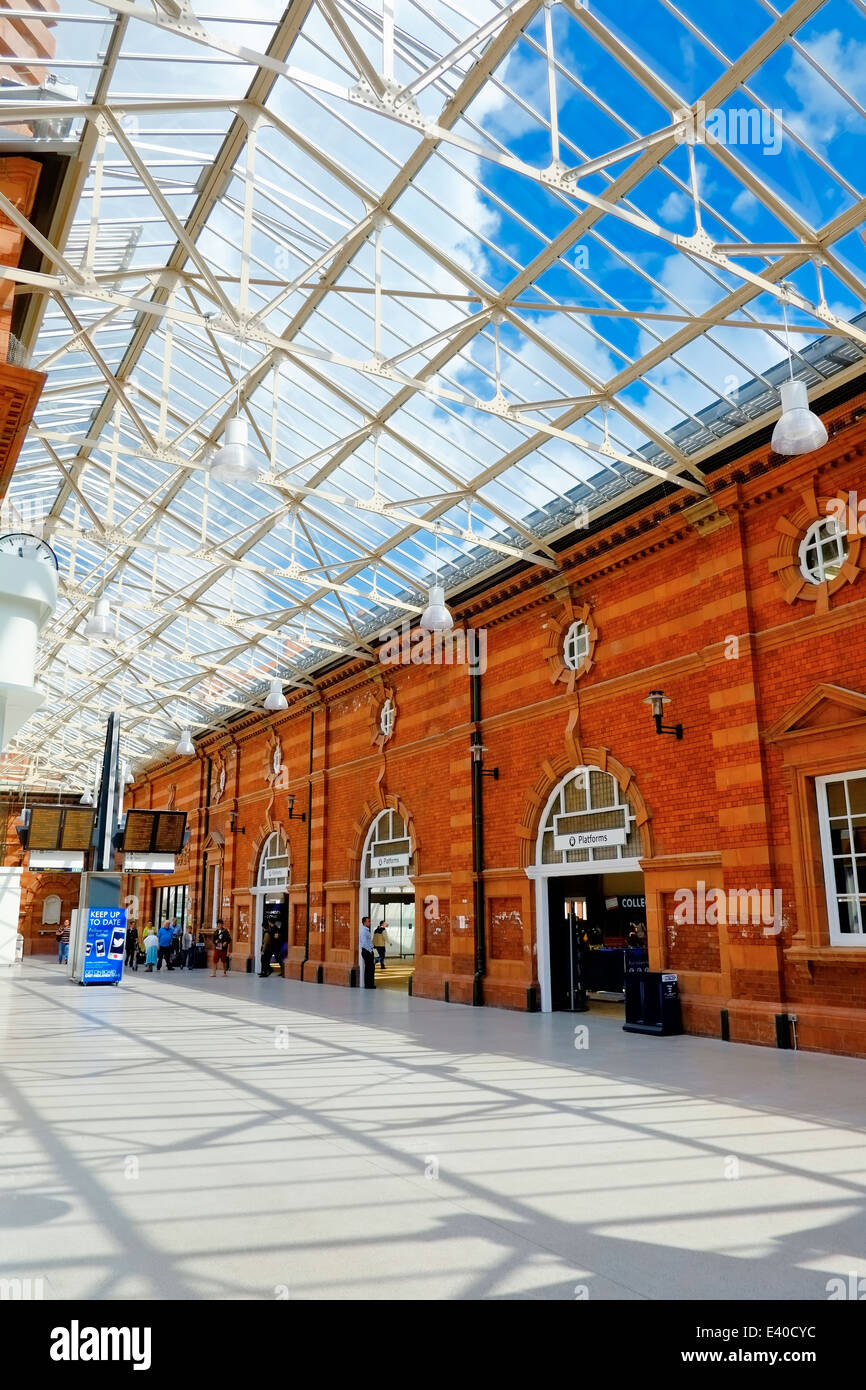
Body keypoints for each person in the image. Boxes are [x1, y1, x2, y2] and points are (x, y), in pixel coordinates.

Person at [360, 915, 375, 990]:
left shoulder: (366, 930)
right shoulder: (363, 931)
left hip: (368, 951)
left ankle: (369, 984)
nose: (369, 922)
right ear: (364, 922)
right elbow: (364, 942)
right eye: (368, 921)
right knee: (369, 968)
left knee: (370, 968)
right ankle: (369, 985)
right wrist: (370, 950)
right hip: (367, 951)